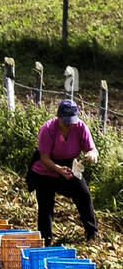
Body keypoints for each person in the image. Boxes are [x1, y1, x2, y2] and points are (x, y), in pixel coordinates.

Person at [26, 100, 99, 244]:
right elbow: (44, 158)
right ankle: (45, 240)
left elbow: (93, 149)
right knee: (46, 205)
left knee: (83, 194)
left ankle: (92, 233)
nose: (68, 125)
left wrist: (92, 154)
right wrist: (58, 169)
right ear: (57, 117)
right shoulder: (47, 129)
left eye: (71, 121)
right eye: (65, 121)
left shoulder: (80, 127)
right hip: (45, 170)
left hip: (69, 167)